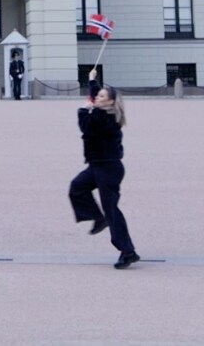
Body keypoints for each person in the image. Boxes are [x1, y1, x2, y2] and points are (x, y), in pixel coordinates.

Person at [68, 69, 139, 269]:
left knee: (112, 211)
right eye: (97, 96)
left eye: (101, 97)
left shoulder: (106, 118)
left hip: (108, 169)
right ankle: (98, 218)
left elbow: (86, 128)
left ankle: (128, 251)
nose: (96, 98)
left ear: (109, 102)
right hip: (97, 165)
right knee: (77, 188)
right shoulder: (103, 110)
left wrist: (82, 110)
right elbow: (98, 97)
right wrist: (92, 81)